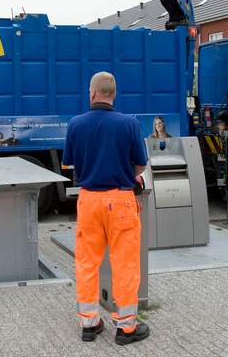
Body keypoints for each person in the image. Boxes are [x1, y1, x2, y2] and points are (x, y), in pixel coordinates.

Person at [62, 71, 150, 345]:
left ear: (92, 93)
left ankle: (90, 324)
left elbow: (71, 163)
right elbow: (140, 165)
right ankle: (125, 328)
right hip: (121, 200)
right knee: (124, 264)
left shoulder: (76, 124)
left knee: (87, 262)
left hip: (88, 200)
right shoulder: (129, 124)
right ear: (113, 94)